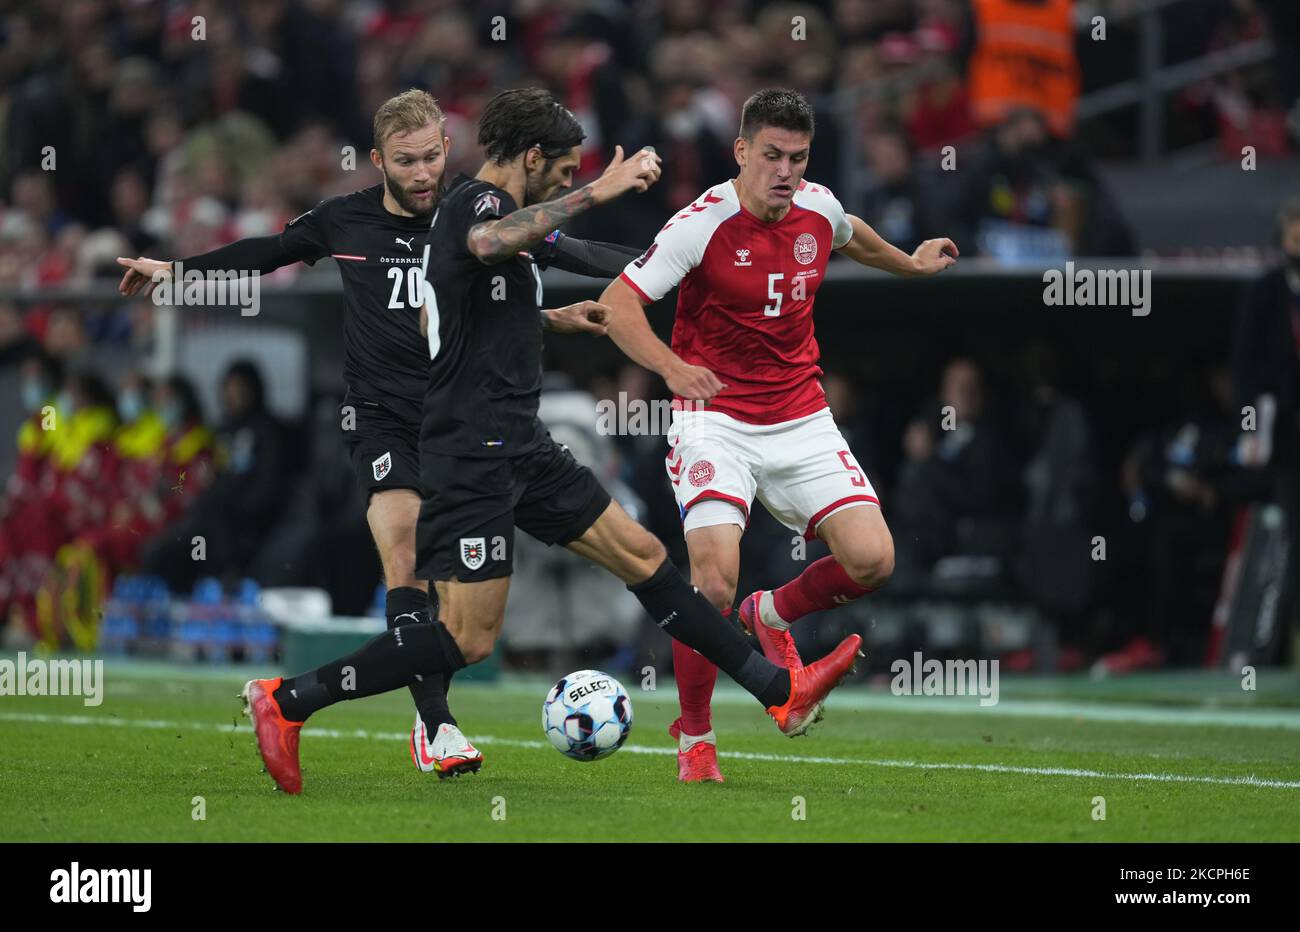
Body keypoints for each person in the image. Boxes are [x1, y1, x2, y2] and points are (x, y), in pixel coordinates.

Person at [239, 87, 863, 795]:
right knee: (468, 640)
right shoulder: (477, 205)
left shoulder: (496, 219)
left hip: (522, 443)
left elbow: (436, 316)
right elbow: (486, 243)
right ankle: (288, 701)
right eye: (564, 170)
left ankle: (778, 690)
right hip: (470, 453)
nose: (570, 180)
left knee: (645, 557)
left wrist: (548, 319)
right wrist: (601, 189)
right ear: (532, 159)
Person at [116, 89, 643, 778]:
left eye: (431, 157)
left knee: (458, 616)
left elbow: (562, 254)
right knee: (405, 556)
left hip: (460, 421)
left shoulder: (476, 213)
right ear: (378, 161)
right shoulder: (344, 221)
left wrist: (678, 262)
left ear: (447, 152)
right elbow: (269, 251)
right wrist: (178, 273)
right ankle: (437, 726)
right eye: (405, 161)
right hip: (382, 419)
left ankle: (395, 714)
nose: (422, 173)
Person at [596, 88, 958, 782]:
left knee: (874, 561)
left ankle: (776, 612)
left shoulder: (816, 208)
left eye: (797, 157)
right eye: (771, 156)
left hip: (799, 414)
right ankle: (695, 741)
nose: (784, 171)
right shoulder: (700, 224)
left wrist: (909, 264)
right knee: (711, 587)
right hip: (716, 421)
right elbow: (618, 305)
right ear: (741, 152)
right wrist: (673, 368)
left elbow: (851, 230)